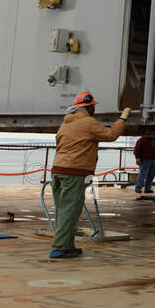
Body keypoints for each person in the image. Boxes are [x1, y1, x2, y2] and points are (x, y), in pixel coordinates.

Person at [48, 92, 128, 260]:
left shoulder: (66, 124)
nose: (94, 109)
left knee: (63, 211)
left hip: (57, 170)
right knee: (70, 212)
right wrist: (123, 119)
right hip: (74, 172)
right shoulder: (88, 123)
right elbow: (110, 135)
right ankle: (59, 248)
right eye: (93, 106)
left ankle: (68, 246)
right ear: (88, 107)